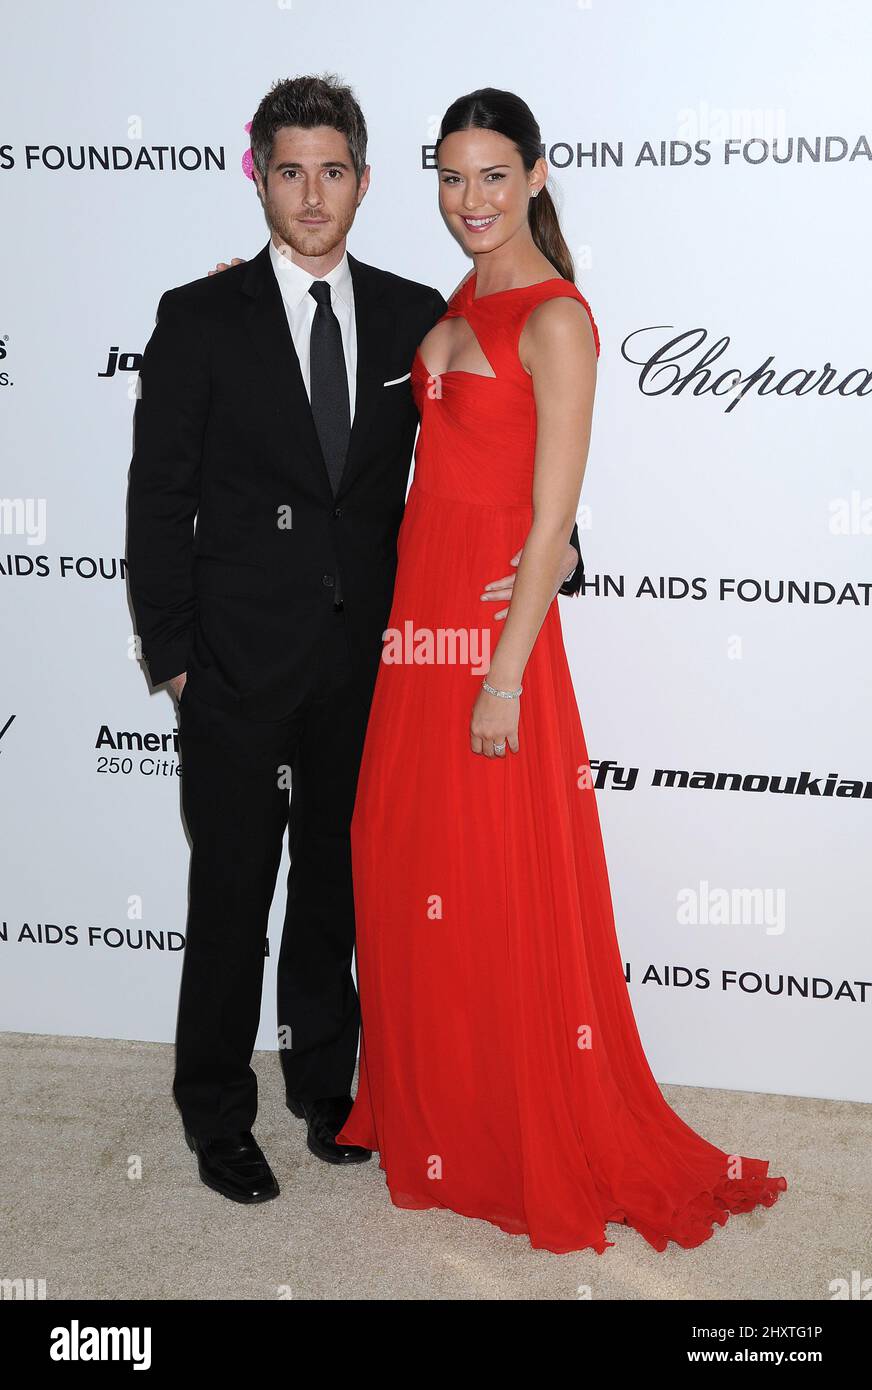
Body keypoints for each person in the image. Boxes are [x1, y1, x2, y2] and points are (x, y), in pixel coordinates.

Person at [334, 87, 788, 1254]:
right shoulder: (462, 295)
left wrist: (501, 674)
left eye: (491, 175)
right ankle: (439, 1116)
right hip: (415, 628)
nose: (467, 200)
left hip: (492, 651)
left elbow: (550, 520)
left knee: (493, 881)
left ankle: (510, 1129)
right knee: (404, 860)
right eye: (448, 176)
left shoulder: (555, 318)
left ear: (537, 174)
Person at [125, 73, 582, 1205]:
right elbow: (156, 498)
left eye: (334, 171)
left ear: (366, 182)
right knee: (232, 897)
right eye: (290, 170)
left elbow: (502, 448)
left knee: (339, 887)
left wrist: (562, 545)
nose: (313, 193)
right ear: (259, 178)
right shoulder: (198, 316)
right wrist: (174, 654)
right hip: (233, 668)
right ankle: (215, 1111)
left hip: (374, 670)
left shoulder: (410, 309)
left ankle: (328, 1089)